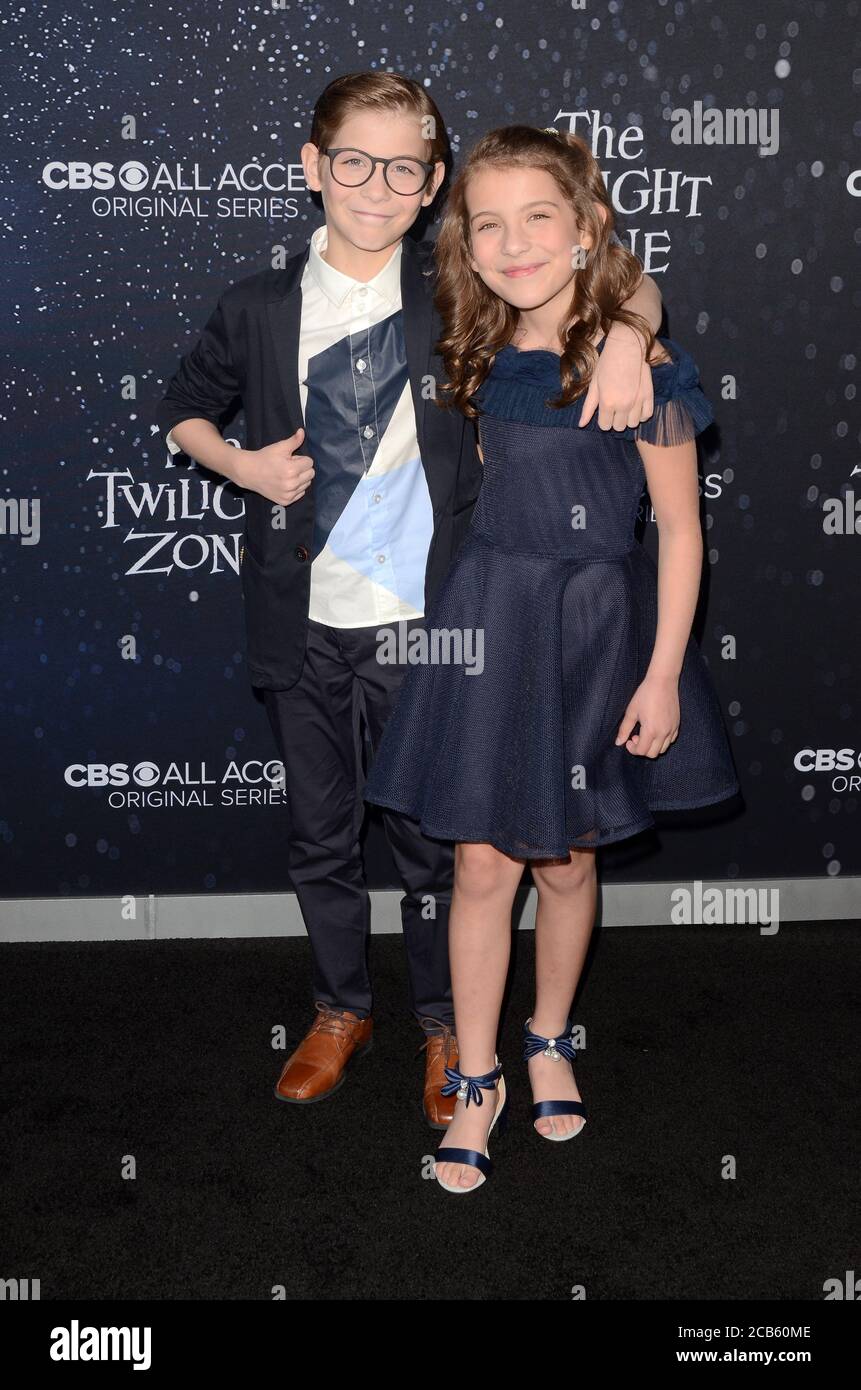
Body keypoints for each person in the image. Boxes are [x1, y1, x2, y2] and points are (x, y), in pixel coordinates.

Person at [155, 78, 664, 1129]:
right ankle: (341, 1008)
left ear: (432, 187)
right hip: (302, 621)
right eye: (353, 162)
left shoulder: (459, 303)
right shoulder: (257, 306)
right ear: (312, 167)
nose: (374, 187)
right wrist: (239, 467)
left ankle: (447, 1024)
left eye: (402, 169)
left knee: (442, 847)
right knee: (320, 834)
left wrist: (629, 334)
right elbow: (181, 412)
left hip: (435, 629)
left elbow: (615, 283)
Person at [363, 124, 741, 1192]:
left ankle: (549, 1038)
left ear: (585, 228)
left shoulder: (640, 357)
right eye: (490, 223)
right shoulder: (476, 343)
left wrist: (663, 670)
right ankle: (475, 1078)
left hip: (595, 632)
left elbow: (679, 526)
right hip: (491, 620)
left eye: (541, 217)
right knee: (480, 862)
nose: (515, 240)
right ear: (467, 243)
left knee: (569, 857)